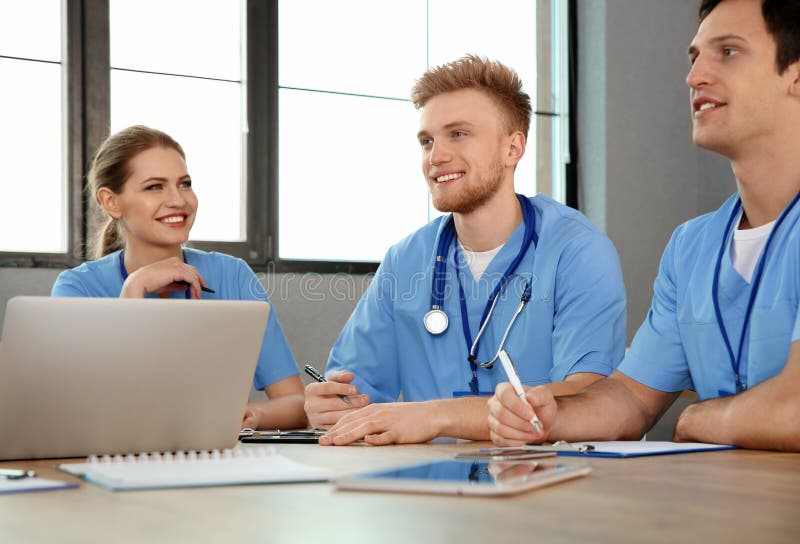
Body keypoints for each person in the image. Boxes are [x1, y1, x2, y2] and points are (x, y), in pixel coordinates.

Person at [488, 0, 800, 452]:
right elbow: (633, 397)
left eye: (728, 52)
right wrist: (550, 417)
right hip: (728, 506)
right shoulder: (691, 247)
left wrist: (700, 416)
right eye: (694, 58)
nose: (695, 77)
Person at [307, 55, 627, 446]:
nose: (435, 156)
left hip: (544, 483)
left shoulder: (577, 251)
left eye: (458, 134)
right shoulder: (405, 260)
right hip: (428, 487)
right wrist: (334, 404)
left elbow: (587, 396)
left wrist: (440, 416)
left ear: (513, 148)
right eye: (427, 141)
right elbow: (357, 390)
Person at [52, 125, 306, 431]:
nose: (178, 200)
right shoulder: (78, 288)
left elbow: (295, 404)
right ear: (111, 202)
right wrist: (133, 291)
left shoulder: (232, 275)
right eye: (155, 187)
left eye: (184, 184)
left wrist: (251, 415)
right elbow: (80, 411)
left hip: (213, 458)